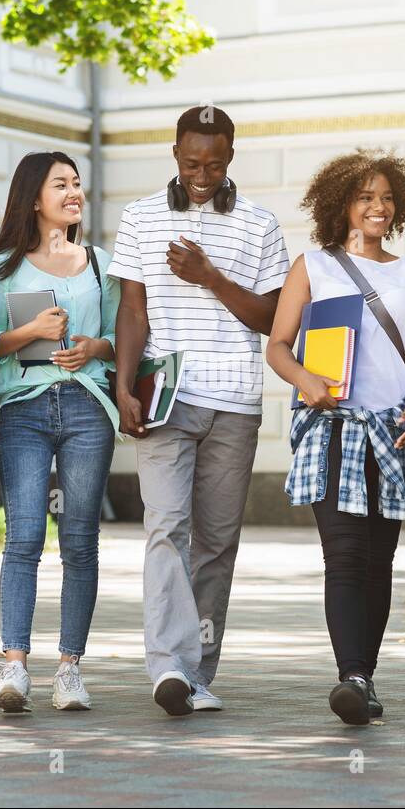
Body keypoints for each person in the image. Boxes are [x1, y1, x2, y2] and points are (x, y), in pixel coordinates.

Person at [109, 105, 290, 716]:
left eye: (213, 163)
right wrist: (124, 385)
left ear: (231, 155)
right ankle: (167, 666)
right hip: (167, 396)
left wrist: (209, 275)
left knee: (216, 543)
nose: (202, 174)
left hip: (235, 401)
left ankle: (197, 671)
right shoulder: (139, 217)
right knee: (166, 528)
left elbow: (271, 320)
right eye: (191, 163)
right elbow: (132, 310)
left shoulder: (262, 225)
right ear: (175, 154)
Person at [266, 150, 405, 725]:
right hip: (331, 430)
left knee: (379, 560)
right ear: (341, 204)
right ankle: (352, 677)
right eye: (366, 197)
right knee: (343, 557)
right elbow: (278, 345)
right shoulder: (313, 267)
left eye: (387, 198)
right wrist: (304, 380)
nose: (378, 207)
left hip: (391, 429)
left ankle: (365, 675)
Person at [0, 152, 119, 713]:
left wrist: (92, 347)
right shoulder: (1, 267)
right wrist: (29, 332)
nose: (73, 193)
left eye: (77, 184)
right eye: (60, 184)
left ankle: (69, 668)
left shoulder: (99, 262)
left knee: (80, 541)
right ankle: (14, 665)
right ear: (33, 197)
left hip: (88, 406)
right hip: (25, 406)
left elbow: (120, 340)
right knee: (23, 538)